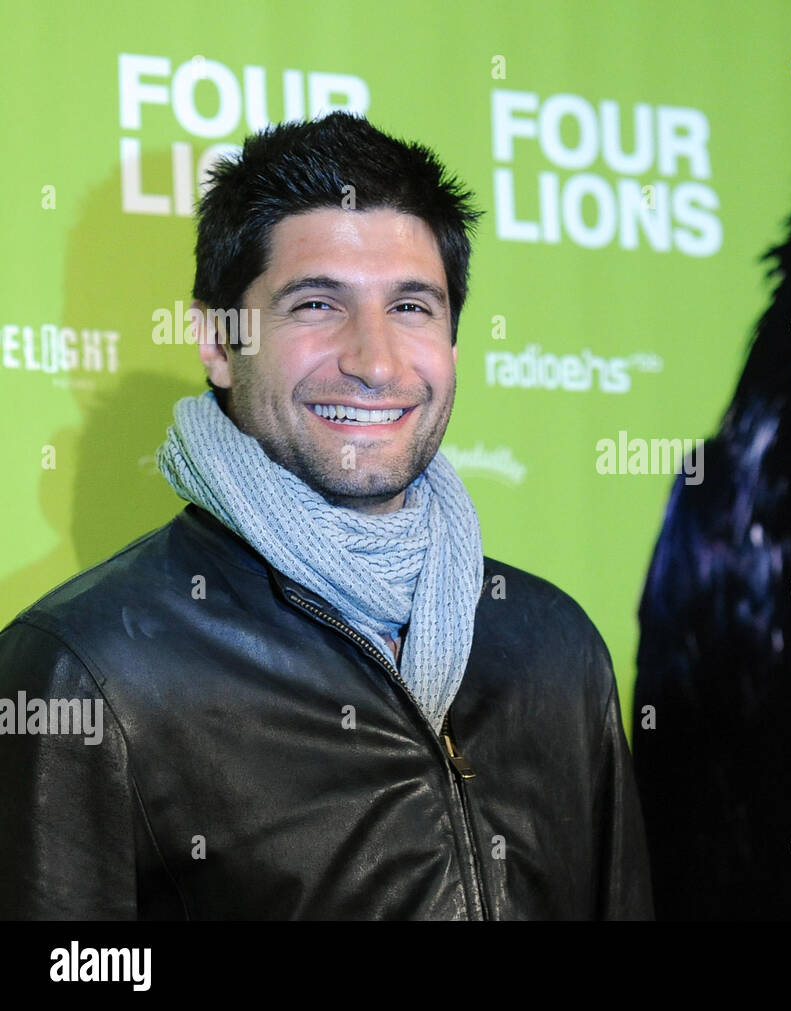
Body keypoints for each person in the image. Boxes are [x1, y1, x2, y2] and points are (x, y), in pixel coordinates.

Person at [0, 112, 654, 920]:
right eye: (316, 304)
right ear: (215, 339)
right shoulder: (89, 671)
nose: (374, 361)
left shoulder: (554, 647)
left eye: (412, 308)